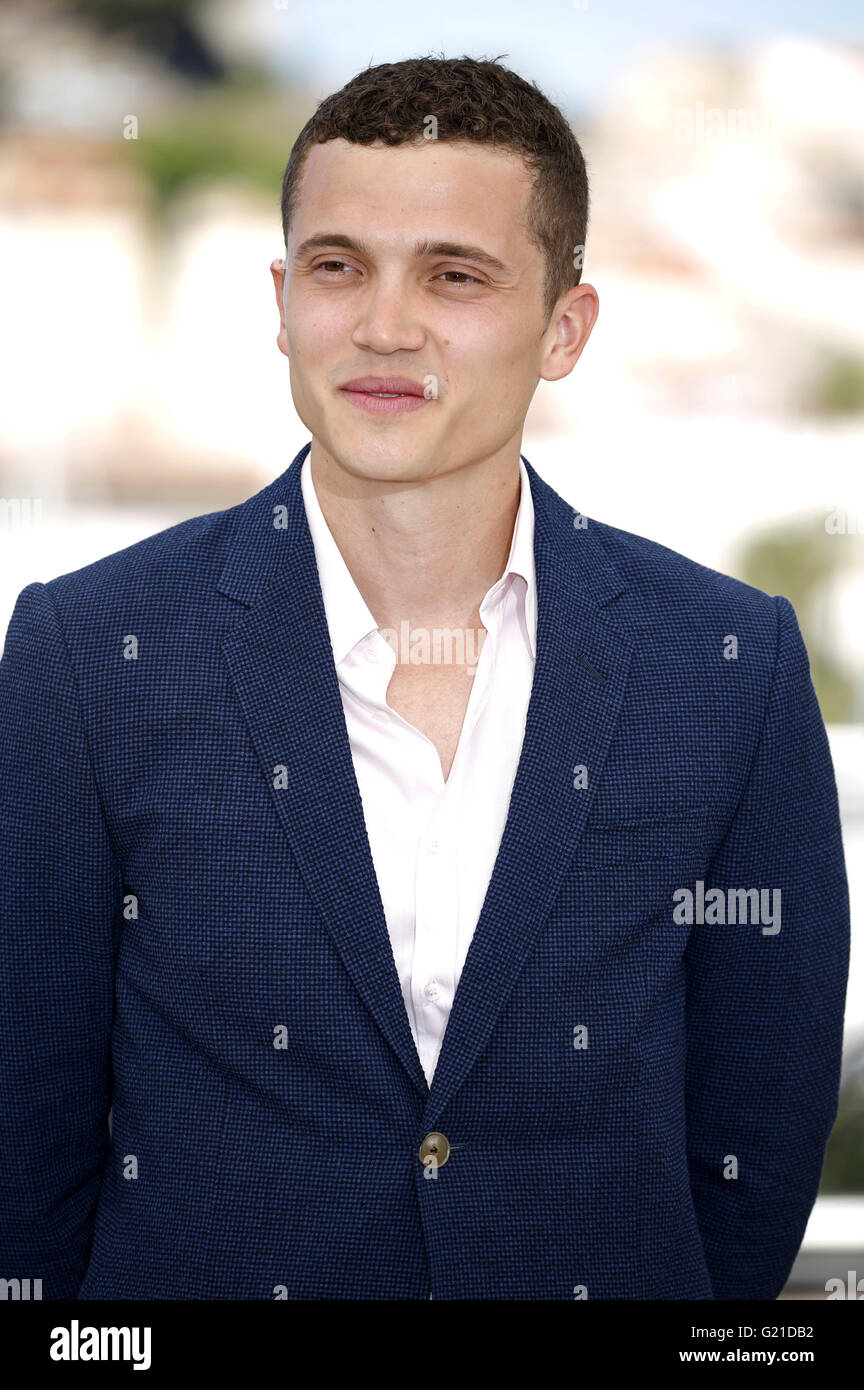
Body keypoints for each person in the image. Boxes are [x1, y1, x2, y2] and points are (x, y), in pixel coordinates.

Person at [0, 55, 849, 1301]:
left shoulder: (727, 664)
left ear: (566, 327)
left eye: (454, 275)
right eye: (340, 266)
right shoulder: (90, 653)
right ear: (283, 302)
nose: (385, 325)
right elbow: (25, 1134)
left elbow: (757, 1139)